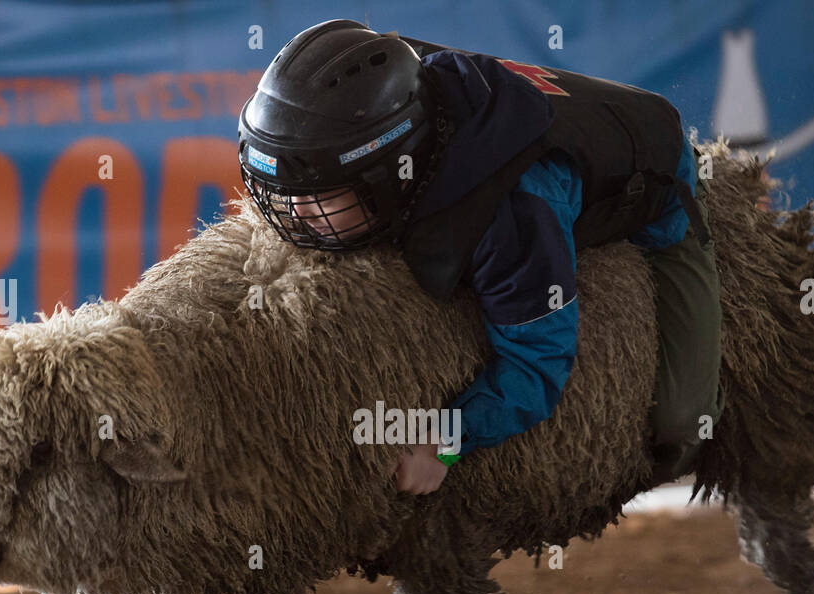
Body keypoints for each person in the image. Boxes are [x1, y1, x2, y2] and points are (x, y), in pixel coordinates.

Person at [238, 19, 724, 494]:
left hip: (661, 176)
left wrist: (442, 445)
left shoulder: (513, 212)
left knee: (682, 422)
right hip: (541, 127)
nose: (296, 212)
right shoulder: (388, 97)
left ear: (388, 176)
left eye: (319, 194)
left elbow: (538, 365)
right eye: (283, 192)